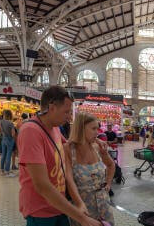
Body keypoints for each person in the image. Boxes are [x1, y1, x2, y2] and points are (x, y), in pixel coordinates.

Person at [18, 86, 102, 226]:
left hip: (59, 206)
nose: (69, 117)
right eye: (67, 112)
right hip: (41, 213)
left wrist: (95, 139)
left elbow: (71, 144)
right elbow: (42, 186)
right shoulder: (31, 131)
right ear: (52, 108)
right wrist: (83, 219)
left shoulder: (55, 128)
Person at [64, 113, 116, 226]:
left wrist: (108, 183)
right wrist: (79, 204)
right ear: (81, 129)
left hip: (104, 205)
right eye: (93, 128)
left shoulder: (98, 147)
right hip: (83, 208)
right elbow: (69, 179)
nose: (97, 132)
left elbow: (111, 165)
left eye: (97, 128)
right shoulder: (69, 149)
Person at [0, 110, 17, 177]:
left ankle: (2, 170)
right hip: (10, 139)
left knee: (3, 155)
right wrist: (14, 137)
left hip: (4, 138)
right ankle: (7, 171)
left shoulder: (1, 122)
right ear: (10, 115)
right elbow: (13, 134)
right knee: (8, 155)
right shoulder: (11, 123)